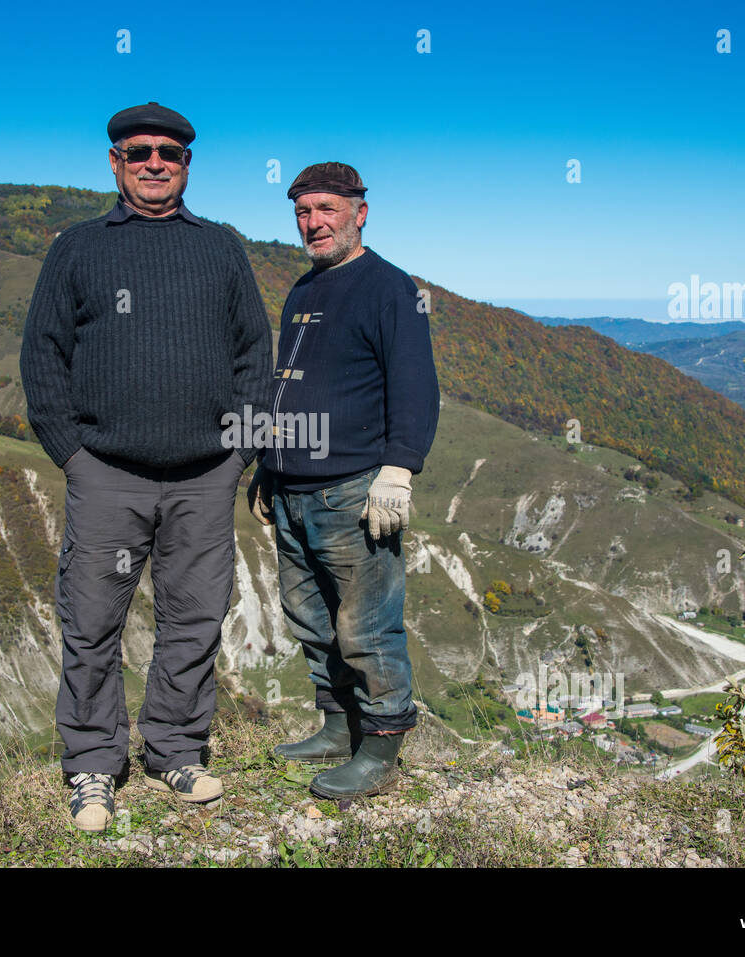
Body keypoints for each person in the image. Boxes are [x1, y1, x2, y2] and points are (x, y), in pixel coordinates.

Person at [20, 102, 272, 831]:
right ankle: (94, 764)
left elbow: (255, 353)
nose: (155, 162)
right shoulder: (77, 247)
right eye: (139, 152)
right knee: (93, 621)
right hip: (108, 473)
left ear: (188, 164)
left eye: (169, 152)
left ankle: (174, 749)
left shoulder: (221, 248)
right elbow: (43, 357)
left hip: (203, 475)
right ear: (114, 162)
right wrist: (75, 455)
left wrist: (238, 454)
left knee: (195, 616)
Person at [247, 162, 439, 799]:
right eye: (303, 211)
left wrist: (399, 469)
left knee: (367, 625)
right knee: (309, 617)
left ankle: (380, 748)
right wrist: (268, 468)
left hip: (354, 489)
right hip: (294, 487)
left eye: (327, 208)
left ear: (361, 212)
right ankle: (337, 725)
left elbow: (415, 385)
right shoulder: (302, 291)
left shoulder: (389, 288)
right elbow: (288, 385)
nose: (314, 222)